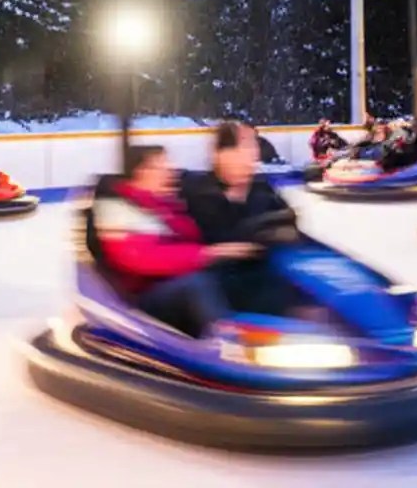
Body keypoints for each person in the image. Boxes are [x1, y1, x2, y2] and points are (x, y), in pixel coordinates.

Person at [94, 145, 259, 337]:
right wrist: (209, 254)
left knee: (245, 273)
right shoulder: (118, 209)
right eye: (162, 165)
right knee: (196, 284)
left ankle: (276, 329)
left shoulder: (162, 203)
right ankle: (227, 344)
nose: (170, 170)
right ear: (142, 172)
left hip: (175, 281)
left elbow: (192, 237)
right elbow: (142, 259)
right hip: (144, 294)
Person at [182, 122, 297, 316]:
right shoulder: (199, 190)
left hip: (268, 278)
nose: (252, 154)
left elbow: (288, 222)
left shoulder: (262, 189)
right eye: (243, 146)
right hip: (221, 288)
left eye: (253, 146)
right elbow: (220, 239)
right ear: (220, 154)